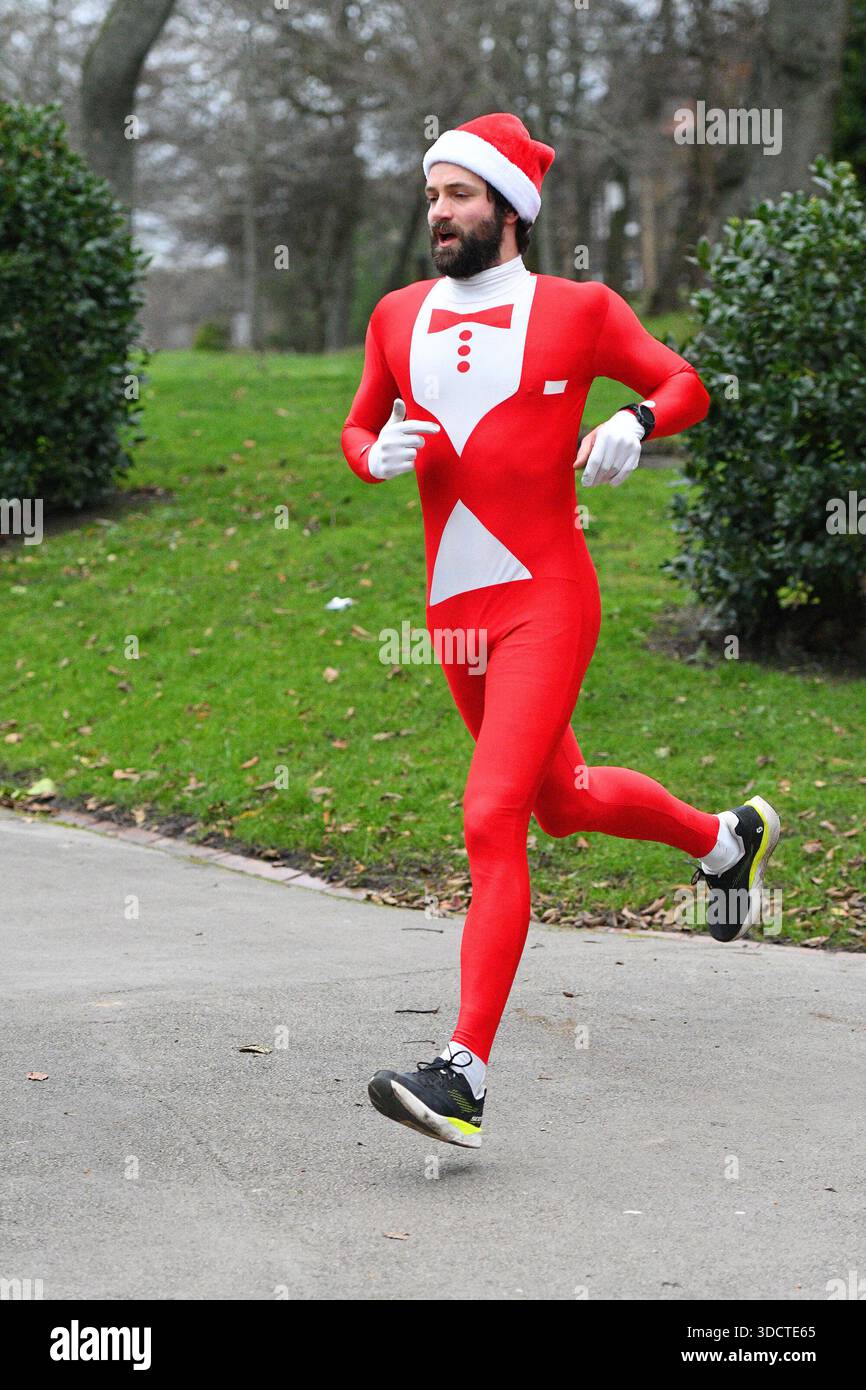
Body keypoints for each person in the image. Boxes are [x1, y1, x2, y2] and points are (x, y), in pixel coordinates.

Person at [341, 112, 780, 1150]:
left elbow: (684, 383)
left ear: (507, 206)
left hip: (545, 598)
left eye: (456, 194)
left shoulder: (576, 310)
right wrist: (373, 456)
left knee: (490, 815)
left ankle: (462, 1074)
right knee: (561, 804)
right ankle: (725, 841)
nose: (436, 211)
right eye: (430, 194)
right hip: (452, 613)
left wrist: (633, 422)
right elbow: (358, 424)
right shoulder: (394, 314)